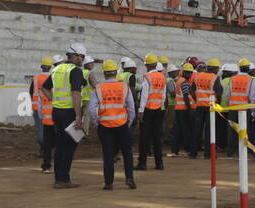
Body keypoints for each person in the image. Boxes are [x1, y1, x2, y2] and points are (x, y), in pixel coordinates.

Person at [43, 43, 88, 189]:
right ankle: (64, 179)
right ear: (75, 56)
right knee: (69, 145)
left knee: (61, 145)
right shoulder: (75, 71)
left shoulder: (56, 68)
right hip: (69, 112)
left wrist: (53, 99)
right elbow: (76, 93)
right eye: (81, 56)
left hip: (56, 112)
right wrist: (78, 115)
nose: (82, 59)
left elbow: (44, 87)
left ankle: (58, 178)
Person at [89, 60, 136, 190]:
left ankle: (109, 183)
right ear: (116, 73)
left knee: (108, 155)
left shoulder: (98, 88)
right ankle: (129, 178)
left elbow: (92, 109)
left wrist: (96, 122)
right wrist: (128, 123)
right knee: (127, 153)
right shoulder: (124, 87)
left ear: (104, 74)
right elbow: (131, 108)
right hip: (122, 125)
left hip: (105, 126)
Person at [135, 53, 167, 170]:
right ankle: (159, 163)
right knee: (157, 137)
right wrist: (161, 106)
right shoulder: (162, 77)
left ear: (147, 65)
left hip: (148, 110)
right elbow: (163, 95)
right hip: (158, 109)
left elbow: (144, 96)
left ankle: (142, 163)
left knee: (144, 137)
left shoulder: (147, 77)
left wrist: (141, 111)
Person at [193, 58, 222, 155]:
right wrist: (218, 105)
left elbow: (192, 90)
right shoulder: (215, 78)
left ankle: (193, 153)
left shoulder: (198, 76)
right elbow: (218, 93)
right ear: (215, 69)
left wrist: (197, 99)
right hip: (210, 108)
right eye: (217, 69)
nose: (218, 71)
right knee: (209, 131)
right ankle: (208, 153)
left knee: (197, 130)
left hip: (199, 106)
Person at [29, 56, 53, 171]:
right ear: (51, 66)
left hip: (38, 108)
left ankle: (44, 150)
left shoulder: (36, 78)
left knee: (41, 131)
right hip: (52, 109)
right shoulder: (54, 77)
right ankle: (48, 150)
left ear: (41, 66)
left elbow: (31, 92)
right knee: (51, 132)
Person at [175, 62, 198, 157]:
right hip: (183, 109)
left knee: (179, 130)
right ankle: (187, 149)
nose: (189, 74)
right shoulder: (184, 82)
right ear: (183, 72)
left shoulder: (182, 81)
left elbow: (191, 94)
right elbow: (185, 97)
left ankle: (175, 149)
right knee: (185, 130)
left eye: (190, 73)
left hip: (180, 109)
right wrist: (189, 109)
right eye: (187, 72)